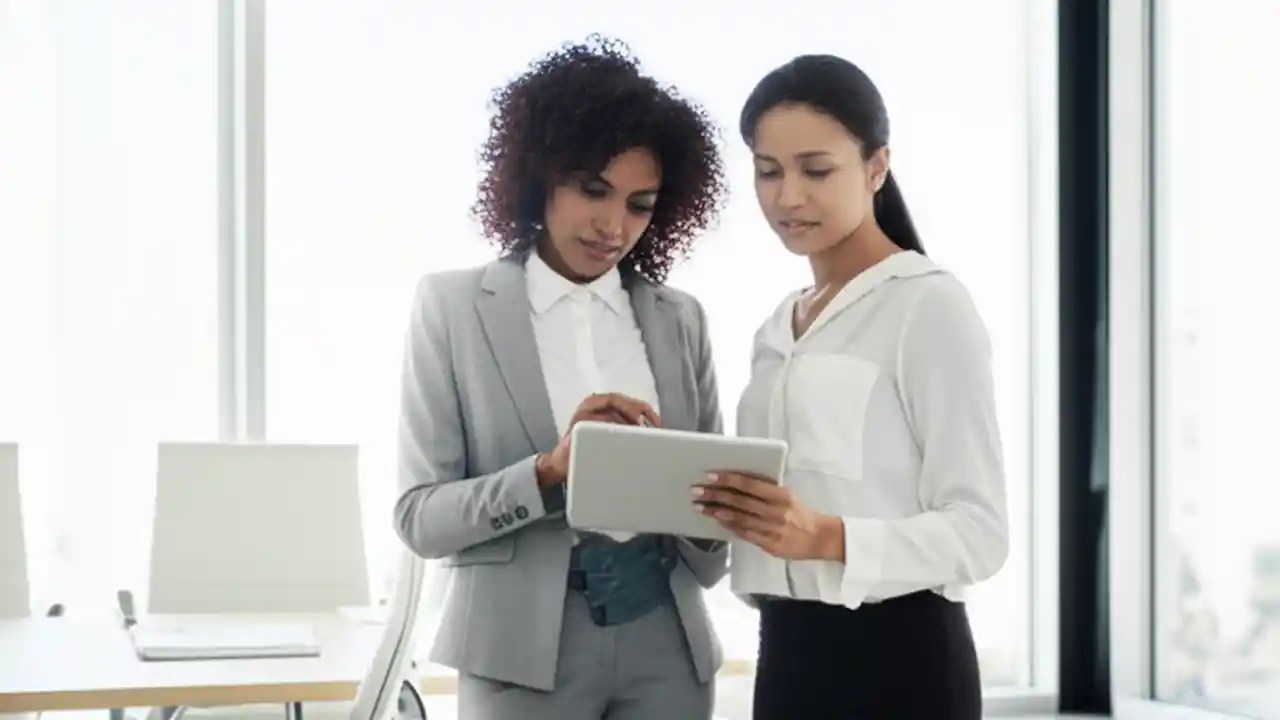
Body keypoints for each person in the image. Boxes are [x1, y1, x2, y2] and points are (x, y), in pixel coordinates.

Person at [393, 35, 729, 720]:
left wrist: (720, 503)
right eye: (593, 189)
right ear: (541, 176)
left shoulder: (680, 320)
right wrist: (548, 471)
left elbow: (712, 542)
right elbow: (419, 517)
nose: (613, 225)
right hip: (519, 653)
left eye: (640, 204)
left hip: (668, 640)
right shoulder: (453, 307)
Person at [693, 55, 1010, 719]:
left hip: (902, 662)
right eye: (768, 171)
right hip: (786, 657)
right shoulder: (777, 328)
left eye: (816, 169)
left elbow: (980, 533)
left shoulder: (928, 306)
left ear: (876, 167)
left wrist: (827, 536)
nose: (787, 196)